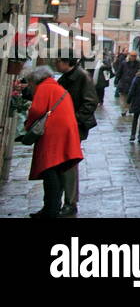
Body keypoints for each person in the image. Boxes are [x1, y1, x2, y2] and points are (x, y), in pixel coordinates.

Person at [19, 65, 83, 218]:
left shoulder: (44, 88)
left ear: (35, 80)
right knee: (58, 169)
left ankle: (51, 209)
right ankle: (51, 207)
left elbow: (36, 110)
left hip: (53, 134)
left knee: (49, 169)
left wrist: (28, 125)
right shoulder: (56, 87)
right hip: (65, 132)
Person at [54, 56, 98, 217]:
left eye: (58, 60)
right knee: (62, 162)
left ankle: (70, 202)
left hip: (73, 127)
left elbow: (90, 102)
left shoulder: (81, 77)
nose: (55, 63)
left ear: (67, 62)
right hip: (64, 127)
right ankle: (60, 201)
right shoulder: (66, 77)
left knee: (69, 162)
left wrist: (74, 121)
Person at [114, 51, 139, 117]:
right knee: (123, 97)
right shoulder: (124, 63)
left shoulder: (138, 64)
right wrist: (116, 80)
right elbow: (119, 72)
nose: (133, 57)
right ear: (129, 56)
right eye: (132, 56)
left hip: (133, 84)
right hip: (124, 83)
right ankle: (123, 110)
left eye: (134, 56)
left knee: (130, 98)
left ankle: (128, 108)